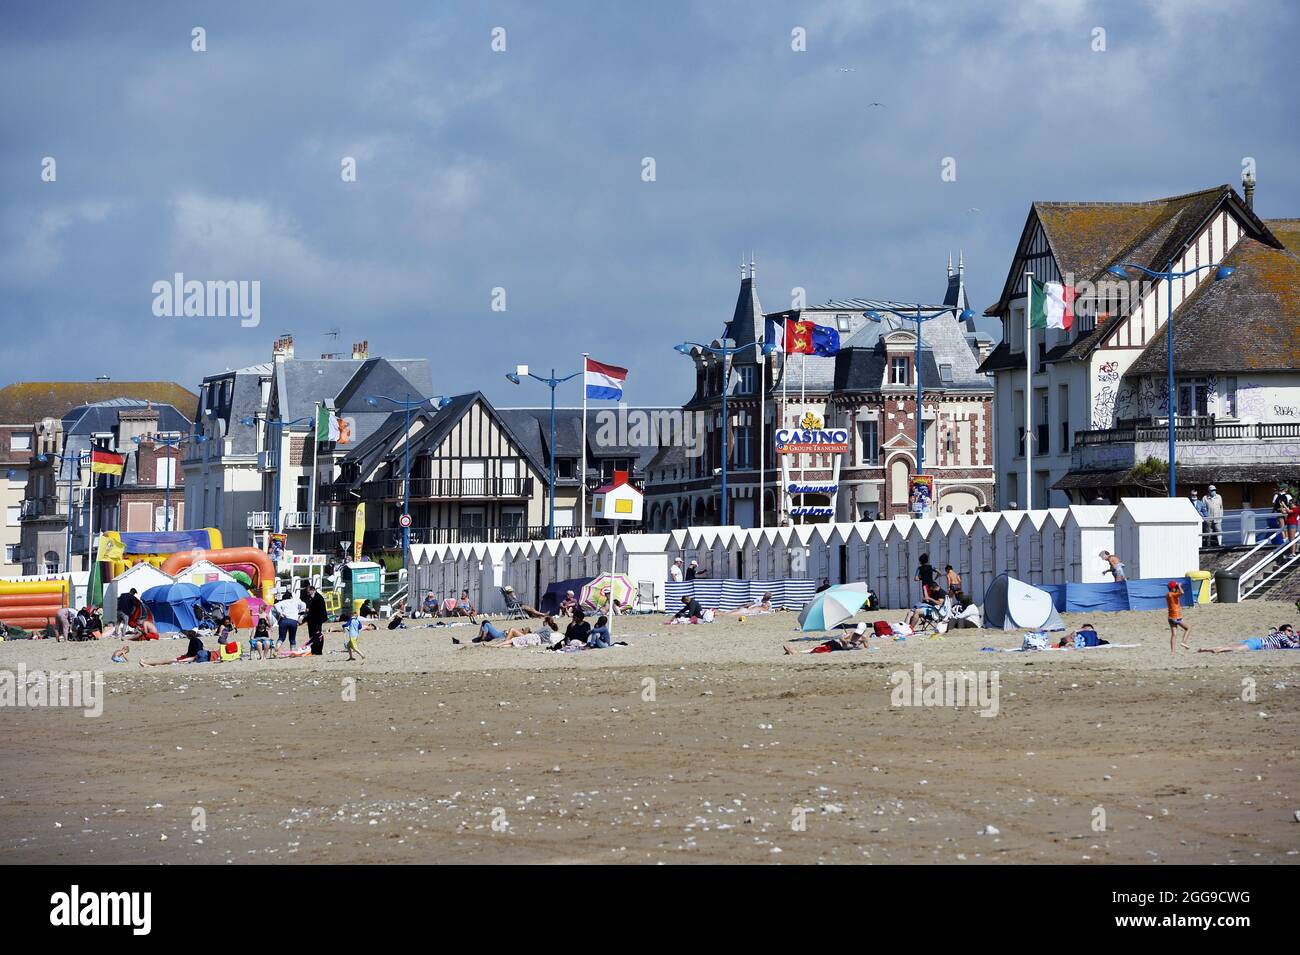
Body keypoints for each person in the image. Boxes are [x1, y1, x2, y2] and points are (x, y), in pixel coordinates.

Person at [1199, 624, 1298, 653]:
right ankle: (1218, 650)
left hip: (1255, 640)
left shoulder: (1277, 634)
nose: (1291, 632)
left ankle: (1207, 649)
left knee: (1231, 645)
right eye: (1289, 630)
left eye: (1291, 631)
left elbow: (1292, 639)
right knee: (1237, 649)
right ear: (1284, 630)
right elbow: (1292, 645)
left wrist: (1293, 637)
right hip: (1258, 644)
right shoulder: (1282, 635)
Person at [140, 630, 212, 666]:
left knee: (166, 661)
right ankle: (147, 663)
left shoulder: (193, 641)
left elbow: (195, 653)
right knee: (167, 661)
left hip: (191, 658)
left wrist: (186, 657)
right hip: (192, 657)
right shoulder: (197, 640)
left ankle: (147, 663)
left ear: (189, 636)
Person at [1166, 580, 1191, 652]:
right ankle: (1184, 642)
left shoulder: (1168, 595)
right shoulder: (1173, 595)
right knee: (1188, 628)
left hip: (1170, 617)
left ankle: (1173, 651)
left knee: (1174, 634)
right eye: (1175, 587)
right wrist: (1179, 586)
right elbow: (1182, 592)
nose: (1176, 588)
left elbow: (1176, 594)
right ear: (1173, 588)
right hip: (1176, 617)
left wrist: (1177, 587)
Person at [304, 584, 329, 654]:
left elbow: (320, 610)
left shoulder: (318, 597)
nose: (307, 593)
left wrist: (309, 610)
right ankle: (314, 649)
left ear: (313, 590)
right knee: (312, 635)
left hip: (317, 620)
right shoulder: (310, 597)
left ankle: (318, 650)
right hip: (311, 620)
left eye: (308, 591)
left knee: (318, 634)